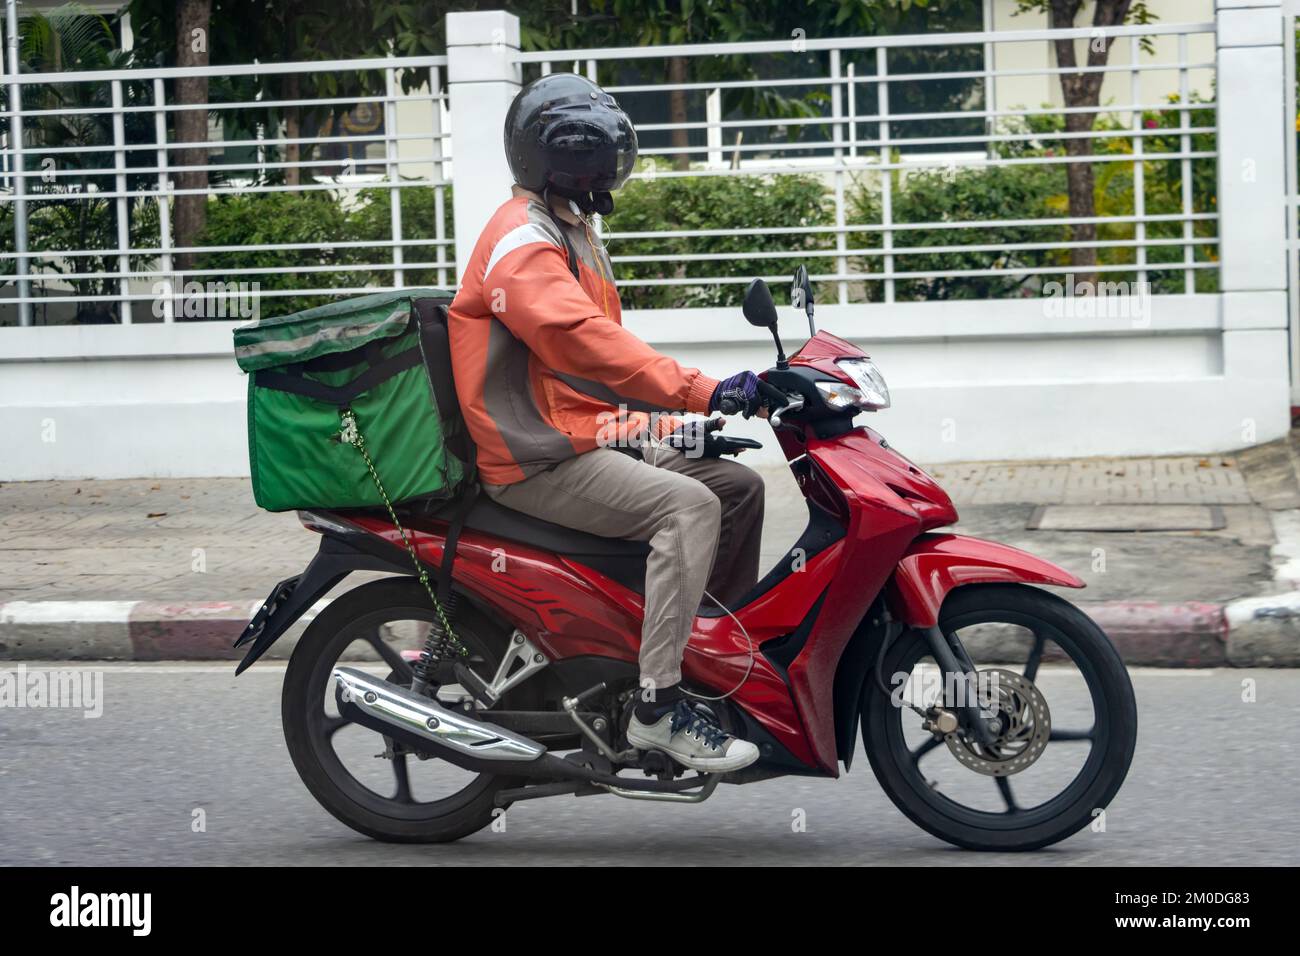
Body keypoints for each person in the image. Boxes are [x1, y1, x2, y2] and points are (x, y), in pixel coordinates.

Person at [448, 73, 767, 773]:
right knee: (688, 508)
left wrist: (678, 425)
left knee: (736, 486)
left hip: (579, 433)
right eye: (601, 156)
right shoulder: (522, 242)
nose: (612, 168)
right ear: (565, 160)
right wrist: (702, 392)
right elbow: (586, 344)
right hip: (537, 456)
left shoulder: (569, 228)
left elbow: (591, 374)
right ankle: (657, 708)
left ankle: (707, 658)